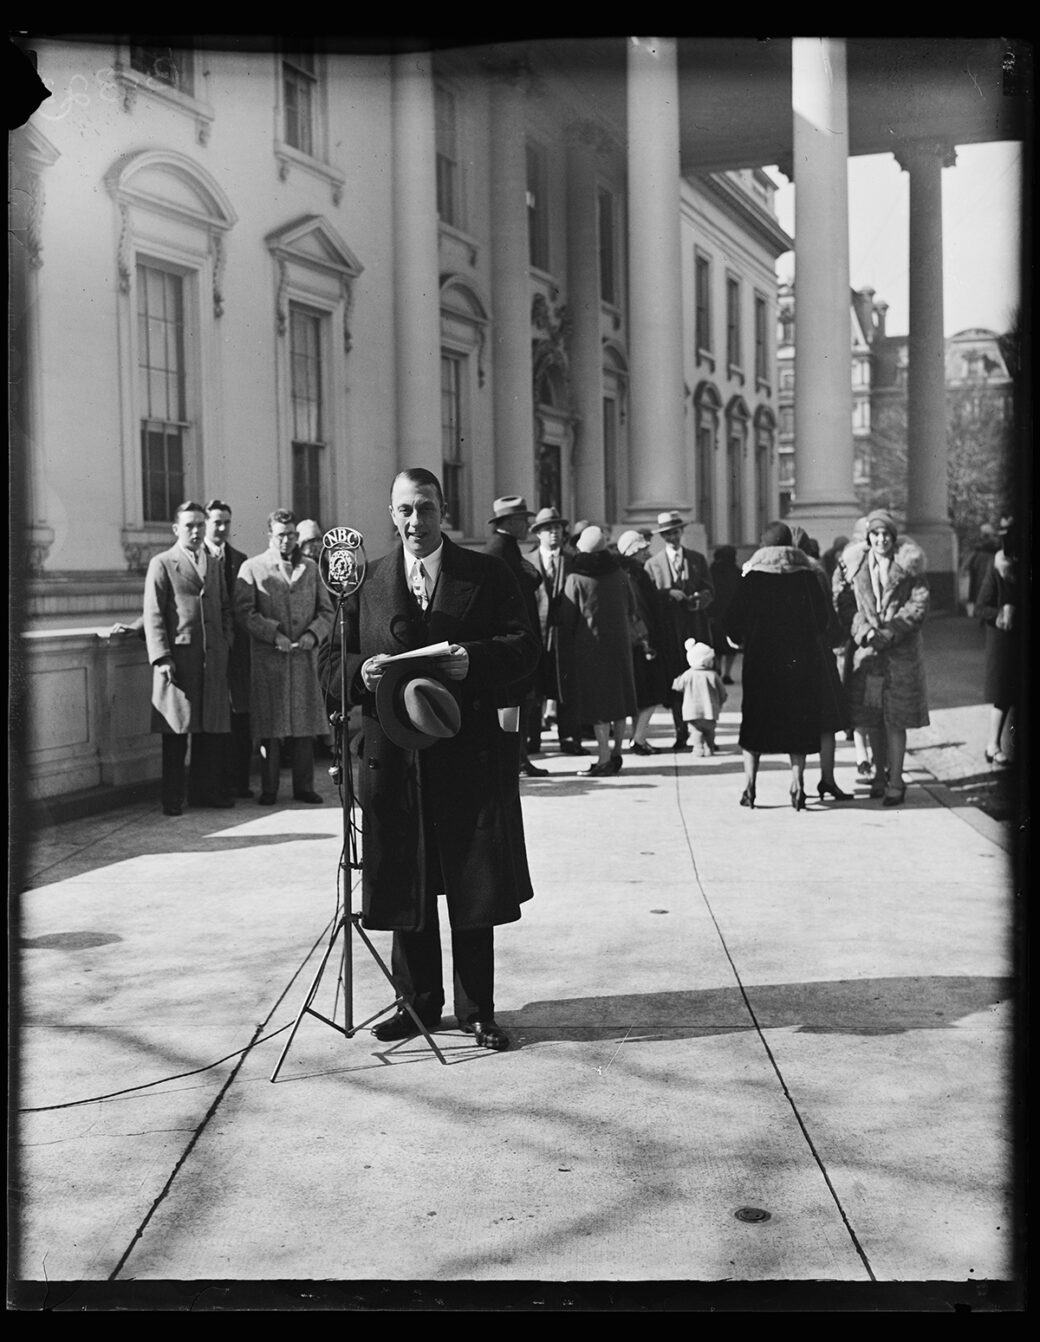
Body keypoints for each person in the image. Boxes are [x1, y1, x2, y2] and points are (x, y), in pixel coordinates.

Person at [337, 467, 540, 1052]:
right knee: (409, 883)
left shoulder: (486, 573)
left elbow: (526, 648)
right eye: (404, 509)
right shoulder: (367, 583)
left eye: (425, 508)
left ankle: (477, 1011)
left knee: (473, 884)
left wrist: (474, 660)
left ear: (443, 511)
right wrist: (360, 672)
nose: (415, 521)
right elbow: (330, 662)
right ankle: (416, 1004)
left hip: (468, 755)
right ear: (391, 514)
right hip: (394, 761)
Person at [724, 521, 835, 811]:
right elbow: (822, 620)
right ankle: (798, 785)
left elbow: (732, 620)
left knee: (755, 723)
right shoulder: (807, 577)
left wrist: (740, 639)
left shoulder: (753, 578)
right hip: (800, 663)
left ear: (764, 545)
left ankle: (750, 786)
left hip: (761, 663)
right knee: (798, 724)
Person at [234, 508, 335, 806]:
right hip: (270, 659)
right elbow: (244, 611)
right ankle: (269, 788)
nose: (286, 540)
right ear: (270, 535)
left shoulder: (311, 568)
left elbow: (327, 611)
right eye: (280, 535)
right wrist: (272, 633)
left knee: (304, 727)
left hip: (303, 658)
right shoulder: (253, 567)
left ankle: (304, 787)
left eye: (291, 535)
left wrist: (313, 634)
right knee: (271, 729)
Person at [142, 500, 234, 816]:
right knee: (176, 733)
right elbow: (153, 614)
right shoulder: (162, 563)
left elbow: (225, 607)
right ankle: (172, 799)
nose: (196, 531)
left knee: (209, 730)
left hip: (212, 661)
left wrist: (225, 642)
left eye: (200, 525)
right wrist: (162, 658)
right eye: (189, 526)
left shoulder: (214, 563)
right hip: (179, 662)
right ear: (176, 529)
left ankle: (203, 794)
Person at [839, 508, 930, 807]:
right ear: (868, 537)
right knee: (872, 718)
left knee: (896, 720)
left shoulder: (910, 567)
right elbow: (845, 604)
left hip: (900, 656)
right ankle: (879, 776)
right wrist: (864, 631)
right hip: (869, 654)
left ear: (893, 536)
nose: (881, 540)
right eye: (876, 534)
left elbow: (918, 605)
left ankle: (896, 781)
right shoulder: (855, 566)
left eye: (886, 534)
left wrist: (892, 631)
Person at [557, 525, 638, 776]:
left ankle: (603, 759)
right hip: (620, 647)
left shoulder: (575, 579)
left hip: (590, 649)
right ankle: (617, 753)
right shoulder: (620, 574)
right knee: (620, 701)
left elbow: (567, 618)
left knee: (598, 705)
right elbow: (632, 608)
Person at [483, 495, 547, 777]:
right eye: (523, 520)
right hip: (509, 641)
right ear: (509, 522)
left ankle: (518, 758)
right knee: (511, 703)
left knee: (517, 703)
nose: (528, 526)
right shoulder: (498, 551)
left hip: (516, 638)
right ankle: (515, 760)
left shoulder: (506, 548)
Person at [791, 525, 853, 801]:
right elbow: (828, 614)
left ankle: (797, 784)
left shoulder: (773, 573)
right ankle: (827, 779)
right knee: (826, 720)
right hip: (818, 652)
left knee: (798, 719)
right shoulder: (816, 572)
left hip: (790, 656)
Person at [643, 510, 714, 750]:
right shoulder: (652, 564)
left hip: (695, 628)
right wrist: (668, 594)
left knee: (700, 682)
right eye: (667, 534)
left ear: (681, 532)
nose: (672, 537)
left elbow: (710, 590)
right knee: (676, 683)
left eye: (675, 532)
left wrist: (699, 599)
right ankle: (681, 733)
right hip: (669, 632)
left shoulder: (697, 559)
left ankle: (704, 735)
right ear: (662, 537)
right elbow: (649, 598)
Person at [527, 506, 587, 756]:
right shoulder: (527, 561)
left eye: (557, 529)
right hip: (536, 634)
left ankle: (570, 738)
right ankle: (531, 739)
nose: (554, 533)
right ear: (538, 533)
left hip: (565, 633)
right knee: (534, 689)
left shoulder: (573, 560)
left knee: (567, 687)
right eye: (548, 529)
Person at [204, 499, 254, 799]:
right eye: (217, 522)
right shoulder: (197, 556)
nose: (222, 528)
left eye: (226, 523)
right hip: (210, 649)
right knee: (214, 718)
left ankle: (240, 782)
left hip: (238, 651)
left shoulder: (240, 559)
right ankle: (217, 783)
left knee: (240, 717)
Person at [615, 529, 669, 754]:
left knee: (642, 694)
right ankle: (638, 739)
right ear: (632, 552)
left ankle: (639, 737)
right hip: (644, 641)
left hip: (637, 642)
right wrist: (649, 639)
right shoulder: (635, 576)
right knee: (651, 693)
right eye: (642, 549)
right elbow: (641, 611)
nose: (647, 553)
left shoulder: (629, 574)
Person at [975, 517, 1018, 766]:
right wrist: (1003, 613)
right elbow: (981, 607)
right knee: (1004, 696)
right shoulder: (998, 568)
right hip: (1005, 644)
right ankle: (993, 745)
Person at [671, 639, 727, 755]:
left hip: (692, 712)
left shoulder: (688, 674)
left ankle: (698, 748)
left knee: (696, 731)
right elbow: (722, 692)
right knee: (710, 731)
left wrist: (677, 679)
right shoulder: (713, 675)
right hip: (710, 711)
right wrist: (721, 701)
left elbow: (677, 686)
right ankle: (709, 747)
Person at [708, 544, 742, 684]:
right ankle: (727, 673)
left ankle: (718, 670)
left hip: (716, 613)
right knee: (731, 646)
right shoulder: (737, 572)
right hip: (733, 613)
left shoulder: (712, 571)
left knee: (716, 644)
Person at [963, 522, 999, 617]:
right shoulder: (985, 547)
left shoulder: (981, 547)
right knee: (981, 587)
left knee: (981, 587)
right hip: (982, 565)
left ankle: (980, 609)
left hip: (982, 565)